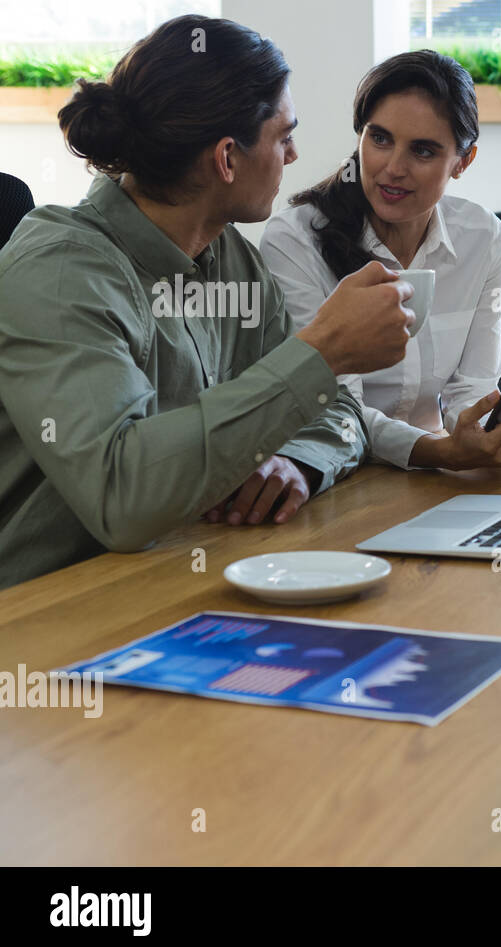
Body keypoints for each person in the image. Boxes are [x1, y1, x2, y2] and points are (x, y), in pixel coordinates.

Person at [0, 15, 416, 589]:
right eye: (283, 135)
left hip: (176, 576)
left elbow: (338, 414)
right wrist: (323, 353)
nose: (293, 156)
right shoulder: (62, 269)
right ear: (227, 159)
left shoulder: (232, 258)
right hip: (45, 613)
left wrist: (296, 461)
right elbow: (121, 496)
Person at [260, 51, 501, 473]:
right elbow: (336, 409)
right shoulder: (294, 240)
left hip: (434, 478)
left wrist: (488, 432)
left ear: (463, 162)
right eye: (380, 138)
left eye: (423, 151)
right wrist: (438, 452)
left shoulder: (483, 237)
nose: (393, 168)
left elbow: (474, 384)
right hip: (328, 477)